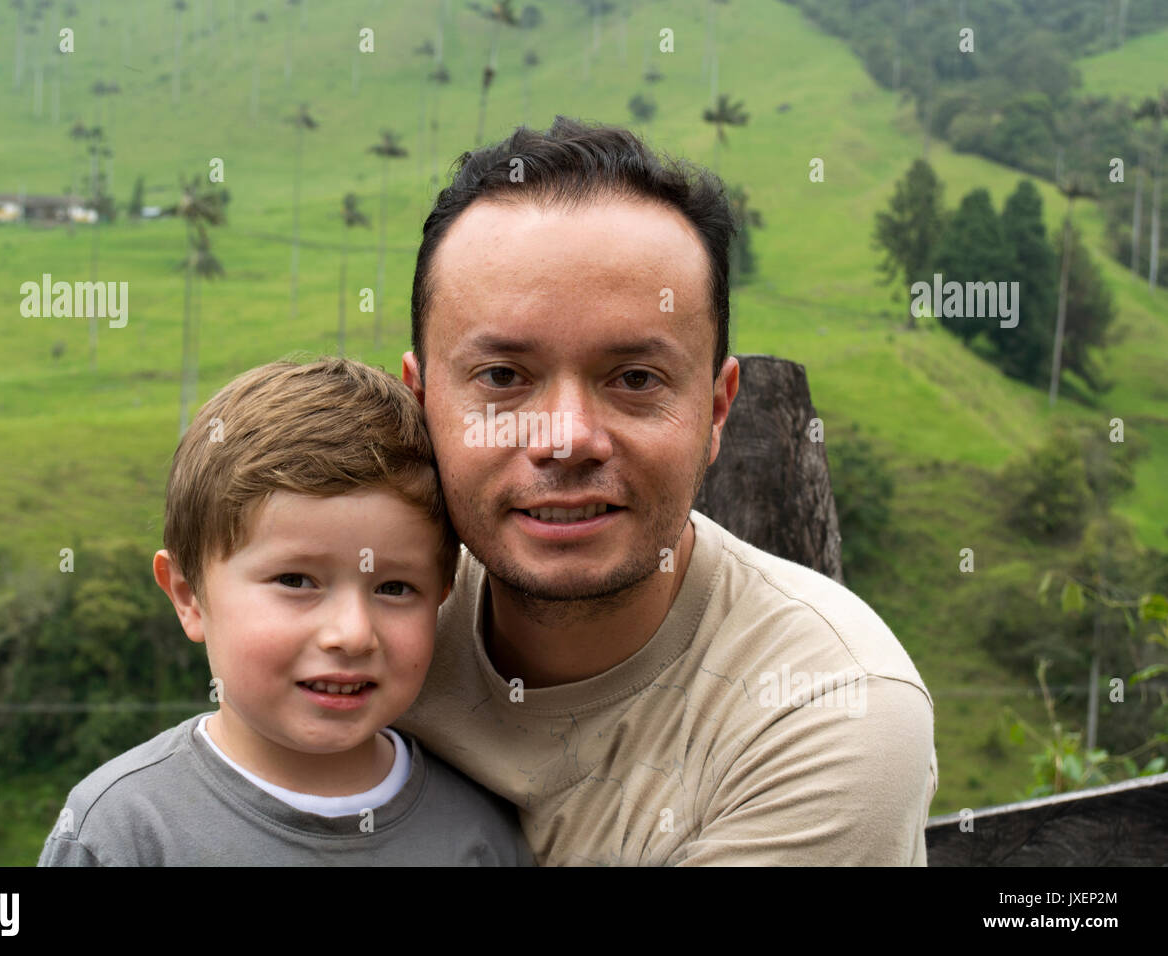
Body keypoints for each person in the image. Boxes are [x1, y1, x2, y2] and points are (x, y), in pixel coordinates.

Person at [395, 116, 938, 865]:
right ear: (422, 400)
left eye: (635, 379)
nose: (567, 438)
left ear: (716, 410)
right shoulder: (351, 613)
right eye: (502, 377)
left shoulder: (825, 707)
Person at [38, 358, 534, 866]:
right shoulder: (122, 833)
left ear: (443, 595)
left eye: (394, 588)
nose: (352, 634)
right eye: (296, 581)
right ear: (189, 596)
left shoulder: (480, 833)